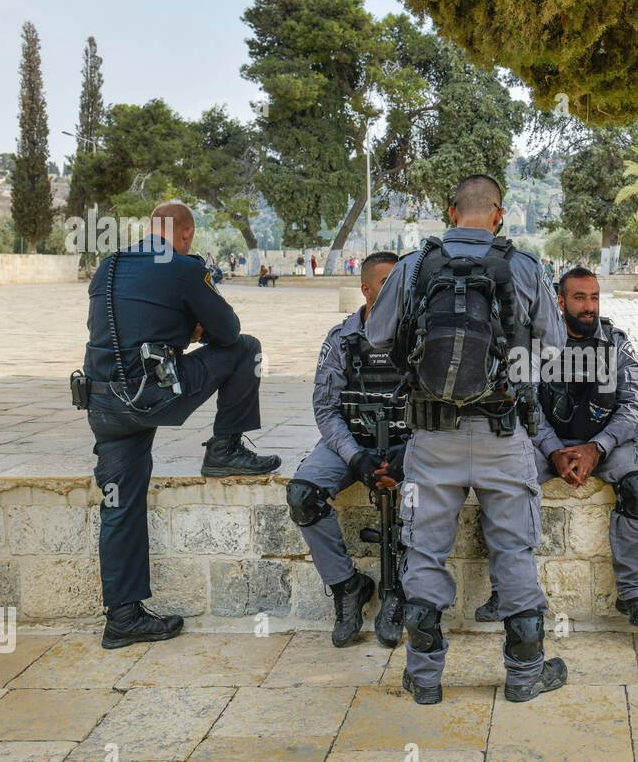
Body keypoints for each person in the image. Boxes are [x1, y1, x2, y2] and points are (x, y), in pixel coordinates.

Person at [366, 174, 567, 705]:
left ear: (450, 211)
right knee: (515, 554)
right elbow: (556, 342)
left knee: (424, 555)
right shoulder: (524, 268)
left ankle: (426, 679)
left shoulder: (412, 267)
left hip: (432, 439)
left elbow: (377, 337)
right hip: (504, 434)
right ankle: (525, 676)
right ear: (498, 214)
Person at [80, 201, 281, 650]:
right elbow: (228, 332)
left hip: (103, 403)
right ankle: (225, 447)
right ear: (186, 234)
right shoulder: (184, 267)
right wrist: (193, 327)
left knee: (118, 505)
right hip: (151, 397)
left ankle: (123, 618)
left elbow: (123, 325)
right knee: (248, 349)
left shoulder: (107, 266)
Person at [475, 265, 638, 627]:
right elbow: (524, 401)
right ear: (560, 302)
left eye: (594, 297)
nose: (589, 306)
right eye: (579, 298)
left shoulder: (616, 341)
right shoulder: (532, 344)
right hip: (546, 443)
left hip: (607, 443)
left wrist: (597, 448)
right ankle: (506, 590)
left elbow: (632, 404)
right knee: (505, 485)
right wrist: (553, 450)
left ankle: (634, 594)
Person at [288, 251, 407, 648]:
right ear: (366, 289)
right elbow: (325, 408)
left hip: (409, 446)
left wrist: (405, 459)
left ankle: (399, 592)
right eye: (386, 284)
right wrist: (355, 457)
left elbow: (434, 410)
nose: (396, 293)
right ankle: (347, 586)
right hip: (350, 444)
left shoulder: (421, 341)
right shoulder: (341, 339)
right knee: (303, 496)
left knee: (433, 500)